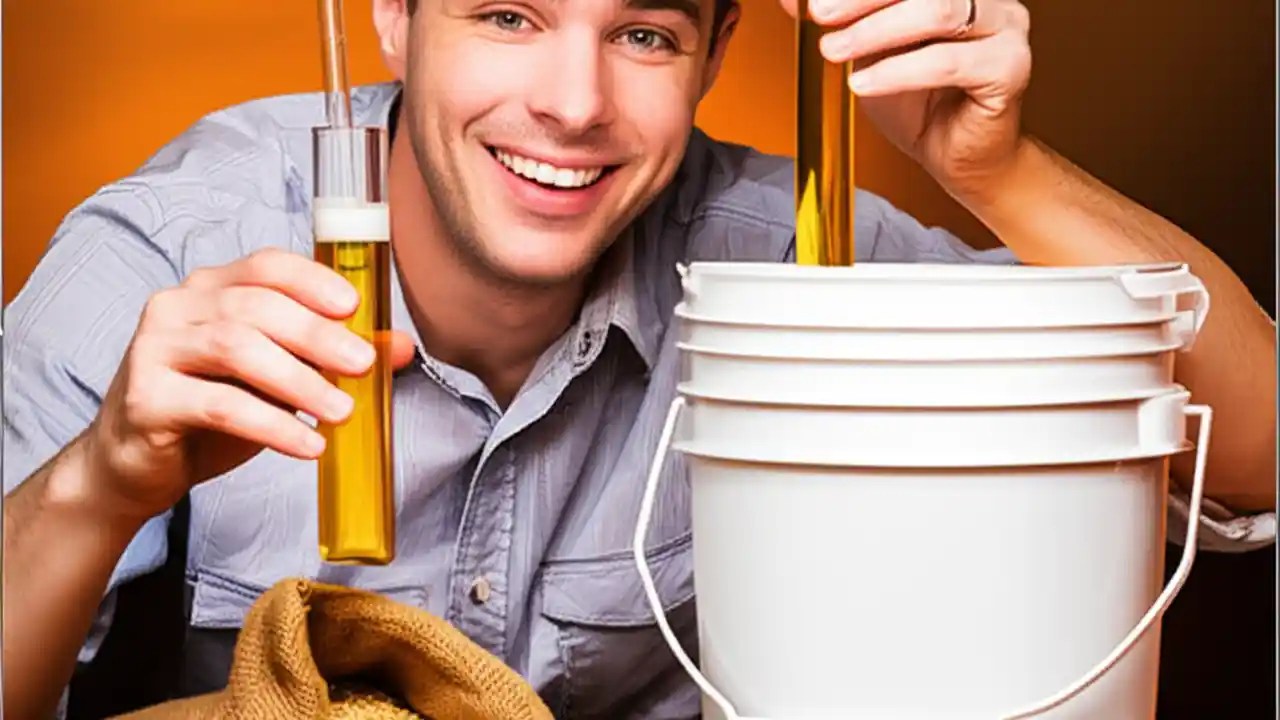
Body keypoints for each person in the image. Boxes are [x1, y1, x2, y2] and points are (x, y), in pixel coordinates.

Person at [4, 0, 1276, 717]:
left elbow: (1257, 451)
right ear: (392, 19)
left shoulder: (786, 261)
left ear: (715, 54)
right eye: (507, 13)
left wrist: (984, 166)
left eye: (644, 35)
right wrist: (98, 480)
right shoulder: (173, 250)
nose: (571, 102)